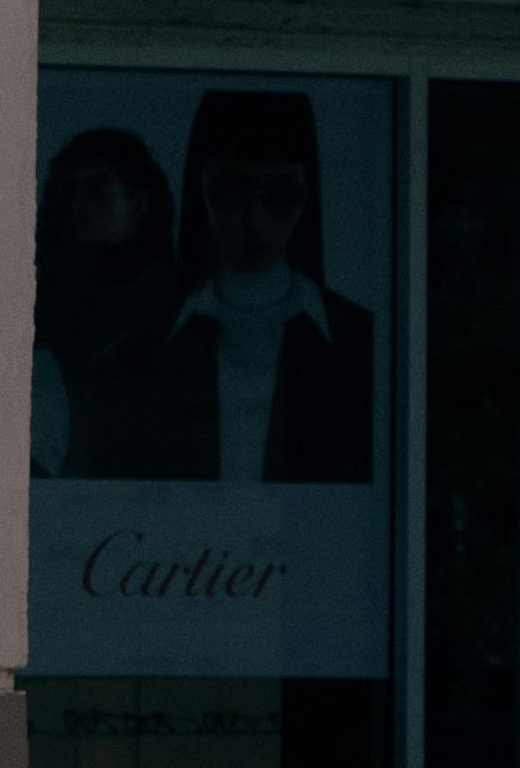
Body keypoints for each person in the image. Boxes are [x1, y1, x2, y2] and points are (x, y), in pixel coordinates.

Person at [81, 84, 376, 485]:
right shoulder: (129, 362)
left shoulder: (364, 350)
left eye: (280, 193)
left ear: (307, 194)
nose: (254, 218)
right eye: (233, 190)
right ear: (202, 187)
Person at [30, 120, 180, 475]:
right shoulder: (41, 305)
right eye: (69, 191)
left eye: (97, 189)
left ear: (137, 203)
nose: (78, 205)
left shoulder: (179, 303)